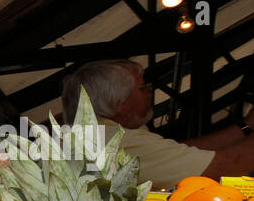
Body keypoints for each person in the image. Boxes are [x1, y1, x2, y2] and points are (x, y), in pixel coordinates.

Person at [61, 60, 254, 188]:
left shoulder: (91, 133)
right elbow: (227, 167)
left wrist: (246, 126)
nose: (150, 92)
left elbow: (178, 152)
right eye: (143, 87)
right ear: (117, 102)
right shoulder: (115, 140)